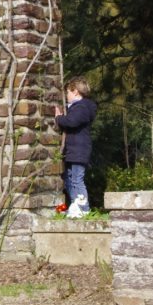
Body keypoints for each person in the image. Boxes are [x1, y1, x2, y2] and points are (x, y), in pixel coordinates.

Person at [54, 76, 97, 215]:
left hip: (79, 150)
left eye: (68, 92)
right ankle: (76, 206)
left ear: (76, 92)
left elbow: (71, 121)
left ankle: (84, 209)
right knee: (69, 179)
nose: (66, 95)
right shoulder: (77, 107)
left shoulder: (83, 107)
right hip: (74, 151)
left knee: (77, 180)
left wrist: (59, 118)